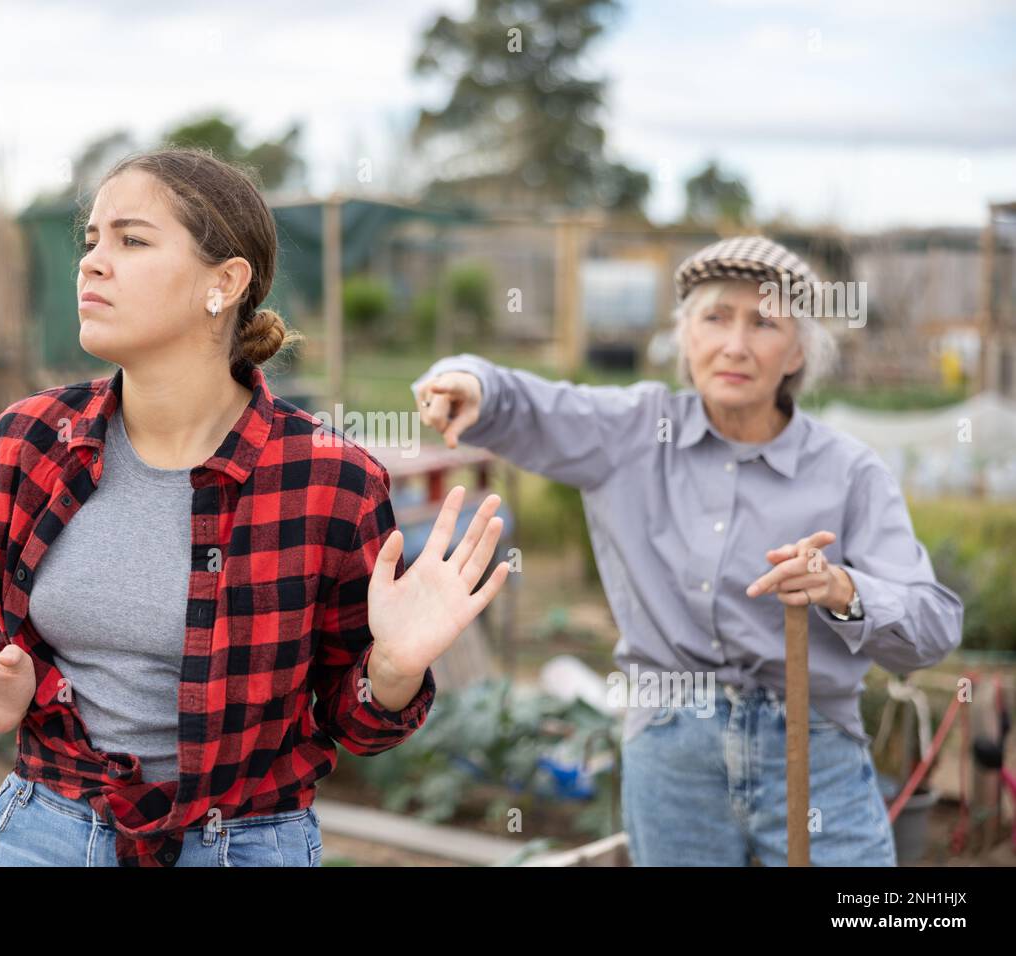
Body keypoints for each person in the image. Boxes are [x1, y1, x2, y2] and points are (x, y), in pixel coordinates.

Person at [0, 147, 510, 867]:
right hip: (47, 831)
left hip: (243, 846)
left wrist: (393, 670)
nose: (91, 263)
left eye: (132, 240)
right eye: (91, 241)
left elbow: (354, 720)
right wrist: (7, 678)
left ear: (225, 282)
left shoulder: (329, 480)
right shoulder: (27, 441)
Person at [411, 236, 964, 866]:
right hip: (673, 746)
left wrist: (844, 591)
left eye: (764, 323)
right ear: (685, 337)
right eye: (715, 318)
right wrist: (469, 381)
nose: (735, 344)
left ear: (800, 351)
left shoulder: (848, 472)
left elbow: (934, 625)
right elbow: (527, 404)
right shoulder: (631, 431)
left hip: (813, 745)